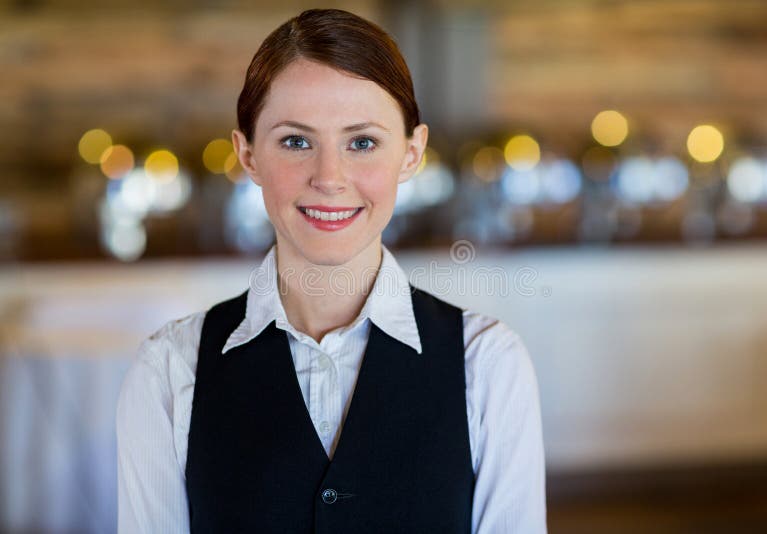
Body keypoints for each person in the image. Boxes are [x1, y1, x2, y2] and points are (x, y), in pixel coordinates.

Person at [116, 8, 546, 533]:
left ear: (411, 154)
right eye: (296, 141)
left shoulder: (488, 365)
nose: (329, 178)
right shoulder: (168, 371)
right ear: (247, 154)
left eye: (361, 142)